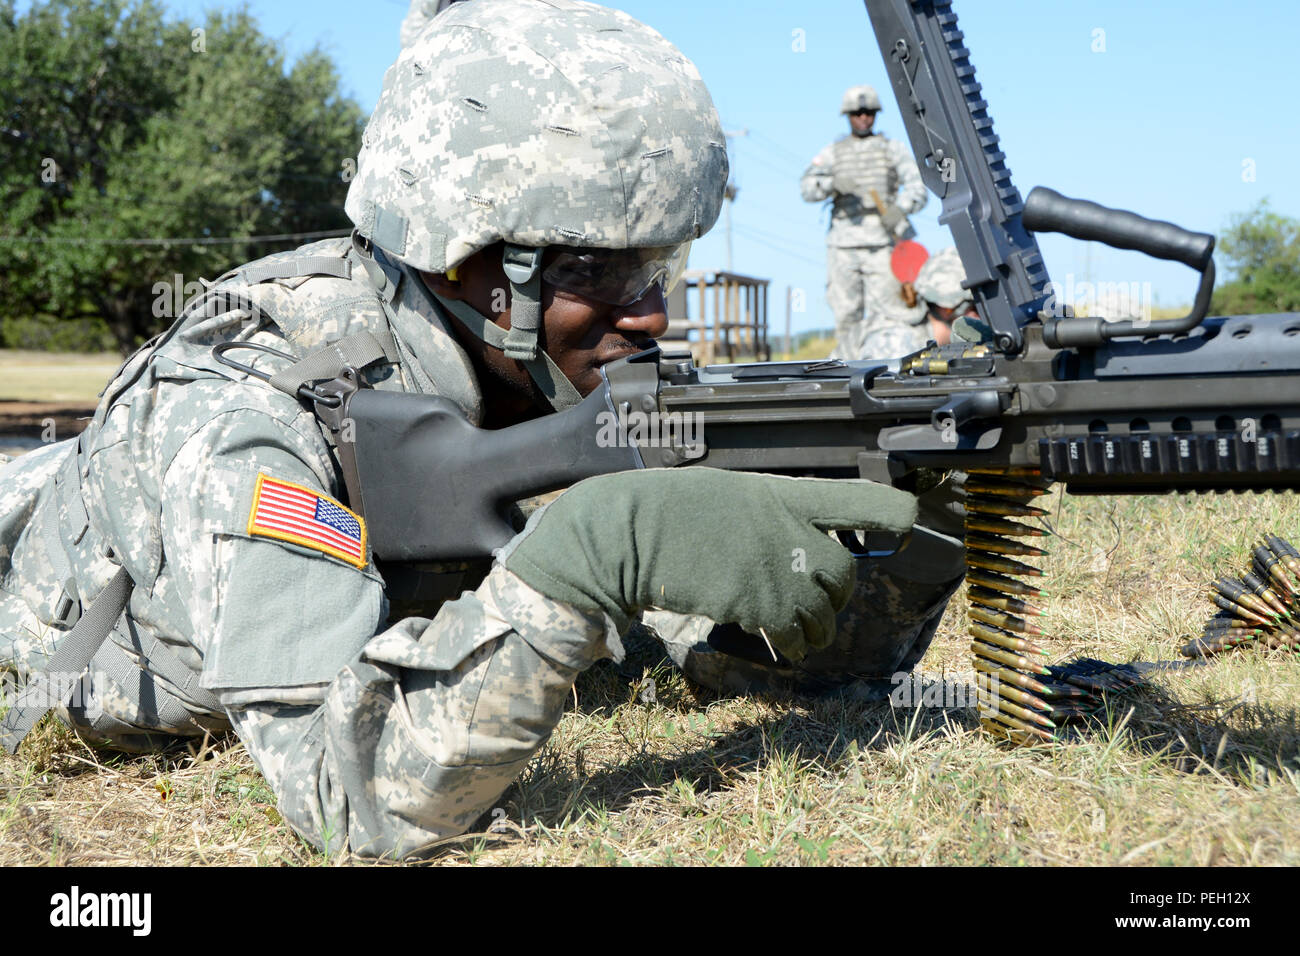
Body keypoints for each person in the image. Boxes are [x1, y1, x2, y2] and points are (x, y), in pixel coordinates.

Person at [0, 0, 964, 858]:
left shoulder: (534, 377)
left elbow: (721, 658)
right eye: (597, 270)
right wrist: (599, 549)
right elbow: (351, 802)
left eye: (660, 265)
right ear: (471, 265)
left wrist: (920, 523)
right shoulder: (251, 412)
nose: (654, 314)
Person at [801, 84, 929, 361]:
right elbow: (806, 188)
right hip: (843, 244)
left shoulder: (892, 149)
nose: (863, 118)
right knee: (846, 314)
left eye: (869, 112)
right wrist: (831, 184)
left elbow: (919, 187)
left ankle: (889, 364)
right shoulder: (833, 153)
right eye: (857, 113)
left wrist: (900, 209)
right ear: (847, 115)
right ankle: (847, 368)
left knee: (890, 311)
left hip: (883, 242)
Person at [912, 247, 992, 346]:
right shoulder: (908, 343)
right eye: (971, 307)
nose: (975, 315)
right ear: (941, 308)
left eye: (977, 307)